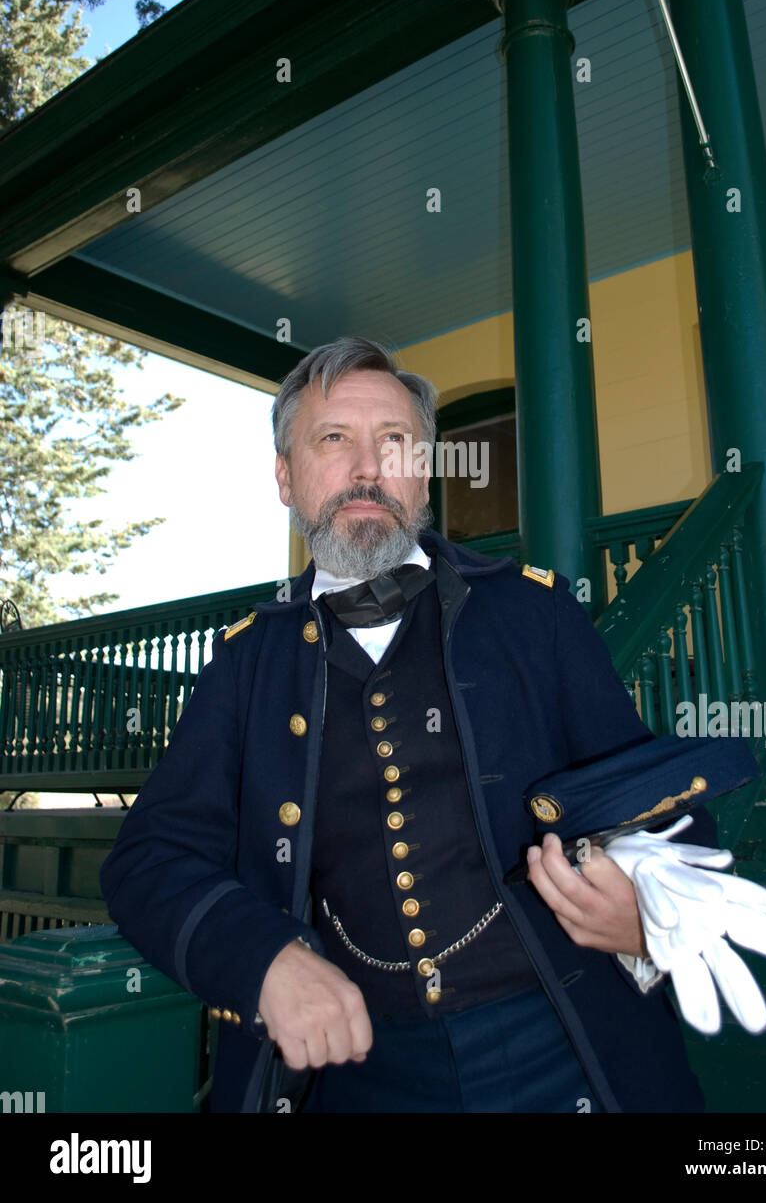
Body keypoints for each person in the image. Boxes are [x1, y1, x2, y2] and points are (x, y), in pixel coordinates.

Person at [100, 334, 724, 1114]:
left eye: (393, 441)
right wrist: (263, 961)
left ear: (423, 474)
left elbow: (656, 804)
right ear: (285, 478)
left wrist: (654, 916)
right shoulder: (243, 667)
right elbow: (147, 861)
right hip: (359, 1071)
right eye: (334, 440)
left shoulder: (539, 617)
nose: (368, 468)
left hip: (565, 1043)